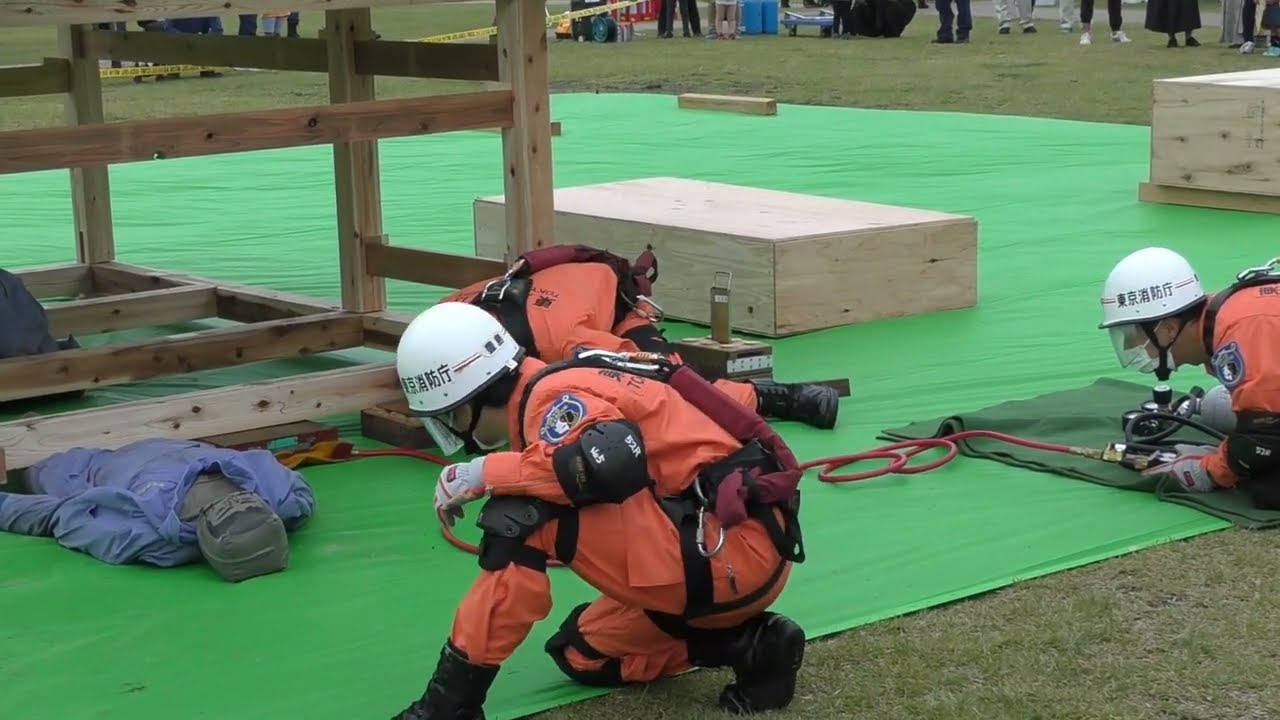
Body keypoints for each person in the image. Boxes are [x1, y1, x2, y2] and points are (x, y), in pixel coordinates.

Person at [389, 302, 807, 720]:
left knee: (522, 514)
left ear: (463, 408)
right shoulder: (570, 373)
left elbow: (610, 461)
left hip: (723, 554)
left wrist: (483, 471)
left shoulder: (550, 398)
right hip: (742, 545)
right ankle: (750, 645)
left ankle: (448, 708)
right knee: (580, 652)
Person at [433, 248, 839, 454]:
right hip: (568, 290)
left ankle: (777, 397)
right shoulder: (448, 318)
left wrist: (756, 399)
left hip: (617, 309)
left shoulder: (572, 344)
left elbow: (664, 378)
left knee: (667, 390)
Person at [1097, 248, 1280, 509]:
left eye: (1134, 336)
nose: (1131, 348)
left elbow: (1264, 441)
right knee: (1222, 407)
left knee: (1267, 485)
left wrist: (1207, 470)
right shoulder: (1228, 316)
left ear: (1170, 328)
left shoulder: (1247, 329)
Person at [0, 438, 314, 582]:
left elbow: (60, 516)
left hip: (93, 465)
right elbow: (62, 518)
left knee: (34, 469)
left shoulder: (145, 537)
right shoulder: (283, 498)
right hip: (170, 448)